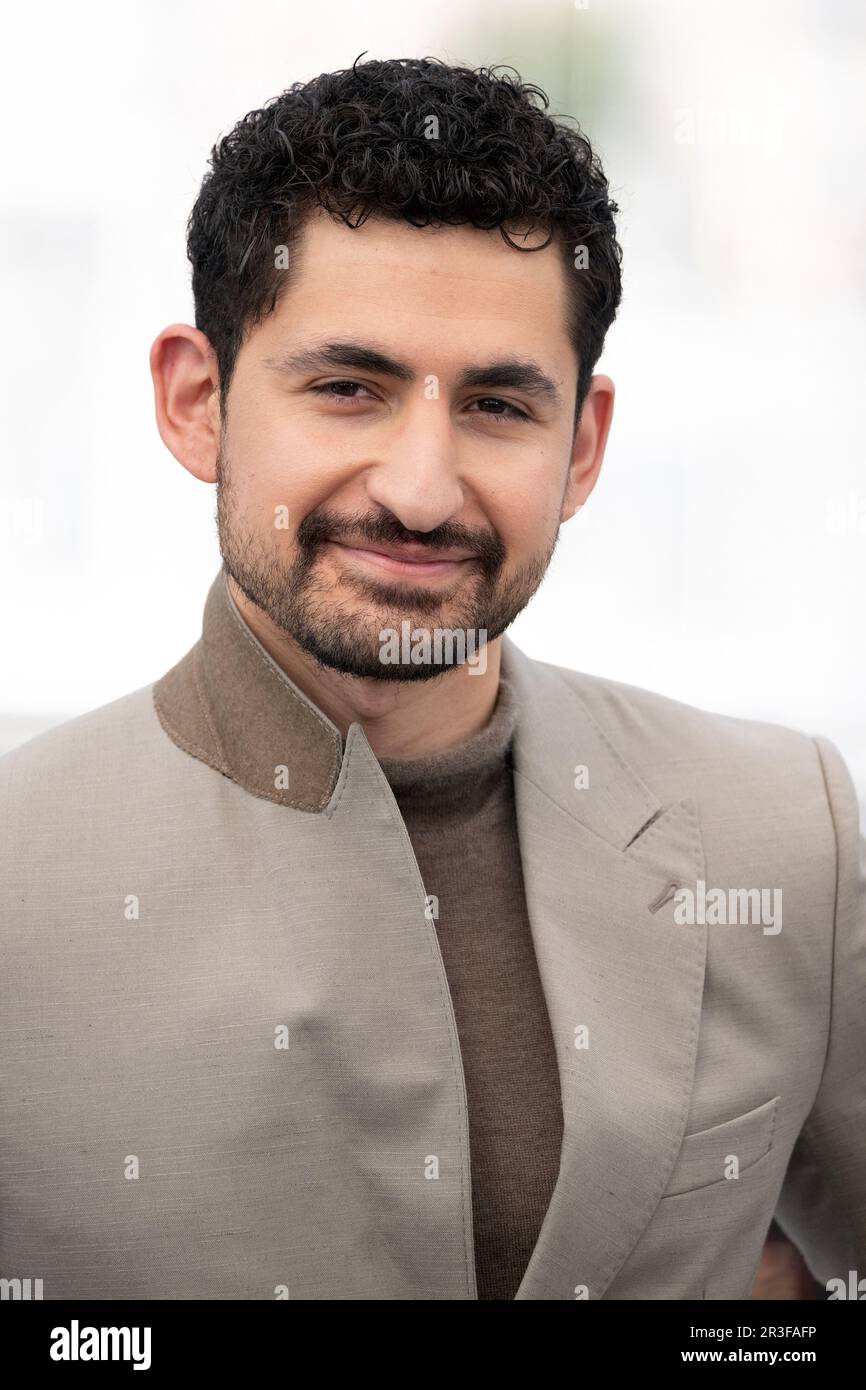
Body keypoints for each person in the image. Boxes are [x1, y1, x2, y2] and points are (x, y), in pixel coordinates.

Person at [0, 55, 862, 1301]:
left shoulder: (782, 834)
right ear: (197, 402)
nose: (417, 487)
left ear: (583, 446)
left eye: (499, 405)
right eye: (346, 388)